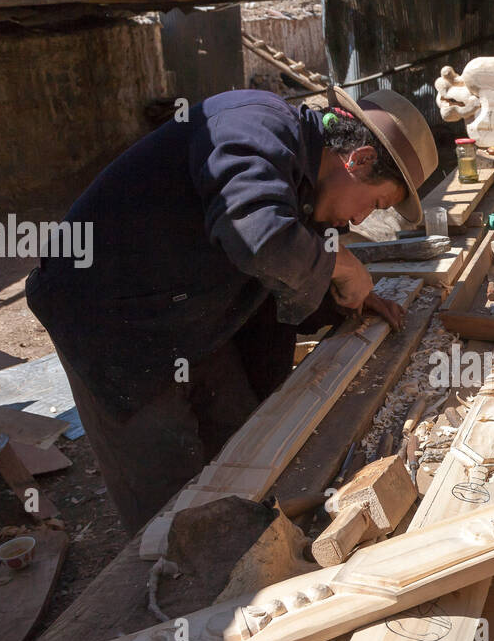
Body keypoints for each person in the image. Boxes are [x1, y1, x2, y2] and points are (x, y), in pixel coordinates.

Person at [27, 87, 437, 535]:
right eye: (374, 204)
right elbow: (257, 237)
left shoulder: (308, 170)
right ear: (357, 161)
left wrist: (343, 298)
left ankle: (240, 550)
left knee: (244, 439)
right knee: (167, 493)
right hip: (111, 320)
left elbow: (288, 258)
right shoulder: (253, 127)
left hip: (189, 309)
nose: (359, 222)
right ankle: (171, 590)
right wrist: (339, 264)